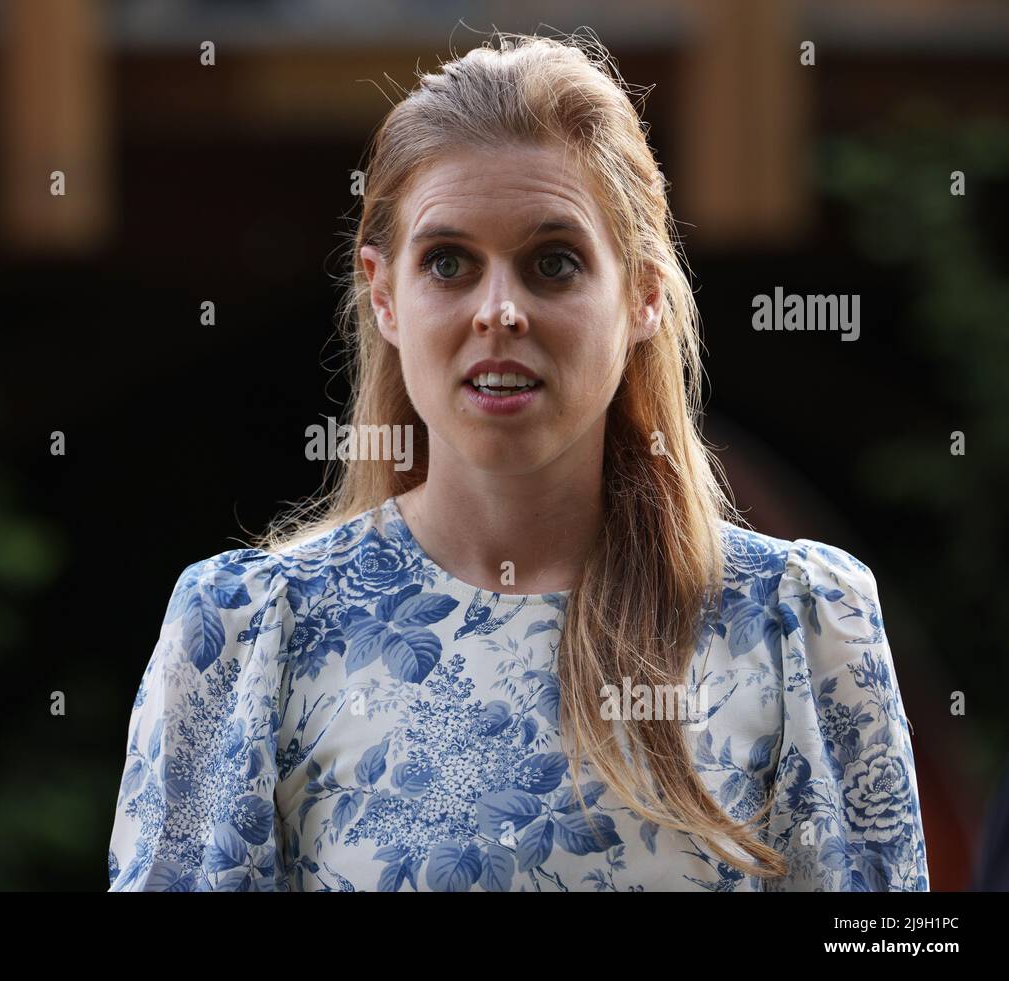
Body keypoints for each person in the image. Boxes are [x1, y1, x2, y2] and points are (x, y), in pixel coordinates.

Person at [106, 31, 928, 892]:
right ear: (384, 294)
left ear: (643, 294)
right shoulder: (249, 633)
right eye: (449, 263)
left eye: (553, 263)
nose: (499, 312)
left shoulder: (799, 623)